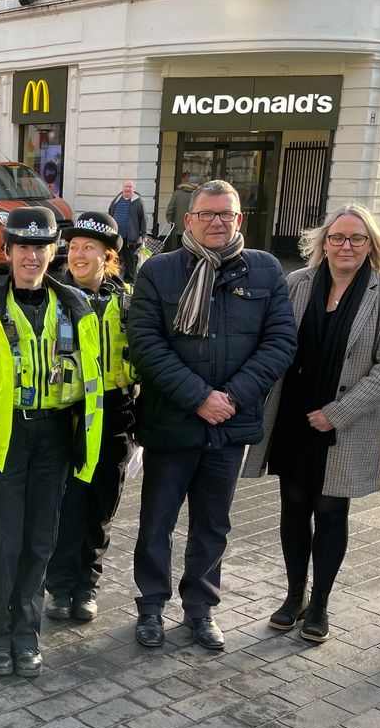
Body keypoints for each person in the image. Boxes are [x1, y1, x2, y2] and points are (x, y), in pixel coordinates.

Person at [127, 179, 297, 652]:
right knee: (156, 521)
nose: (217, 222)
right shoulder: (158, 272)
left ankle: (200, 610)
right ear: (189, 220)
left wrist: (232, 397)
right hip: (171, 421)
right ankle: (151, 607)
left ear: (239, 220)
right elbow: (145, 344)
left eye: (226, 214)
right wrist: (199, 396)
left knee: (213, 524)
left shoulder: (264, 270)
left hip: (230, 425)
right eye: (207, 214)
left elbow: (280, 341)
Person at [242, 205, 380, 643]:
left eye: (356, 238)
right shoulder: (297, 283)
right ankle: (294, 595)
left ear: (371, 245)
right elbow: (272, 341)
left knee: (332, 512)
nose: (346, 246)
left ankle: (320, 604)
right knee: (294, 509)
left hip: (344, 424)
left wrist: (336, 413)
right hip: (293, 416)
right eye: (337, 238)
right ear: (323, 243)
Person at [0, 206, 103, 679]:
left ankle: (26, 636)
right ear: (8, 251)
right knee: (0, 547)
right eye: (22, 248)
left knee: (39, 543)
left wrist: (86, 452)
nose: (31, 257)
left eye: (40, 248)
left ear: (52, 251)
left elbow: (93, 387)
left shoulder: (77, 308)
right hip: (4, 439)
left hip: (55, 438)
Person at [45, 212, 135, 622]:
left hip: (115, 416)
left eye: (89, 248)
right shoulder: (50, 298)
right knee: (66, 504)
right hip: (66, 416)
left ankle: (87, 583)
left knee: (100, 506)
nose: (78, 254)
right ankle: (59, 587)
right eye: (74, 246)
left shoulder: (129, 302)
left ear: (108, 256)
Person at [108, 179, 147, 282]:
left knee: (129, 259)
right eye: (126, 187)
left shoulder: (138, 202)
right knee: (113, 257)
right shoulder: (117, 200)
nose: (127, 189)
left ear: (134, 189)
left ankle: (129, 279)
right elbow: (110, 214)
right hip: (116, 235)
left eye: (130, 187)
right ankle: (112, 277)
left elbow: (143, 218)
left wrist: (144, 235)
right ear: (123, 188)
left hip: (130, 236)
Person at [164, 181, 196, 251]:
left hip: (177, 225)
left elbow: (171, 208)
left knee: (177, 245)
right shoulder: (196, 194)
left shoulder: (177, 193)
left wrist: (169, 219)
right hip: (192, 225)